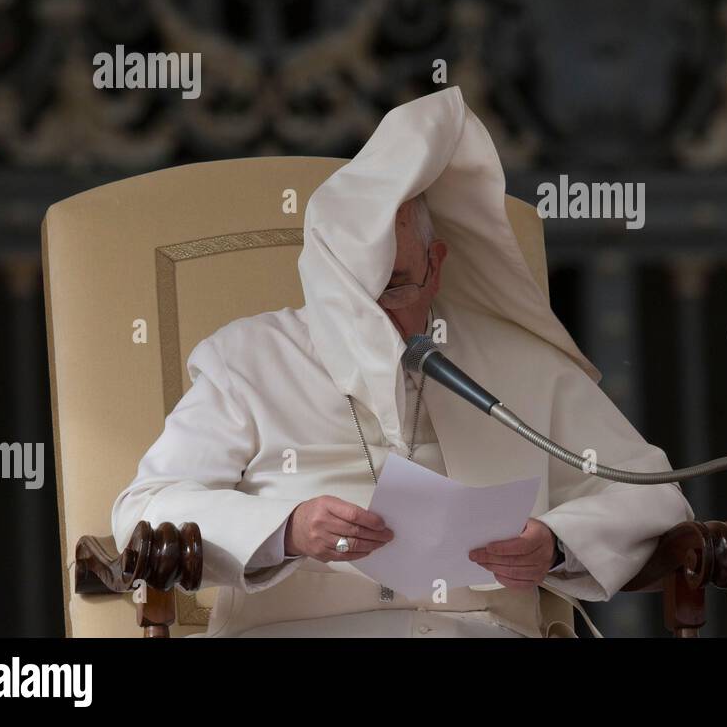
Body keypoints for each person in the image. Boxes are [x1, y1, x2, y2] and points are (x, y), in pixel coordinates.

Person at [111, 85, 693, 637]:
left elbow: (651, 495)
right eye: (354, 300)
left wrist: (558, 543)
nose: (378, 324)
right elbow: (145, 507)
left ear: (435, 266)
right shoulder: (247, 358)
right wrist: (286, 529)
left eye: (396, 289)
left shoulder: (519, 363)